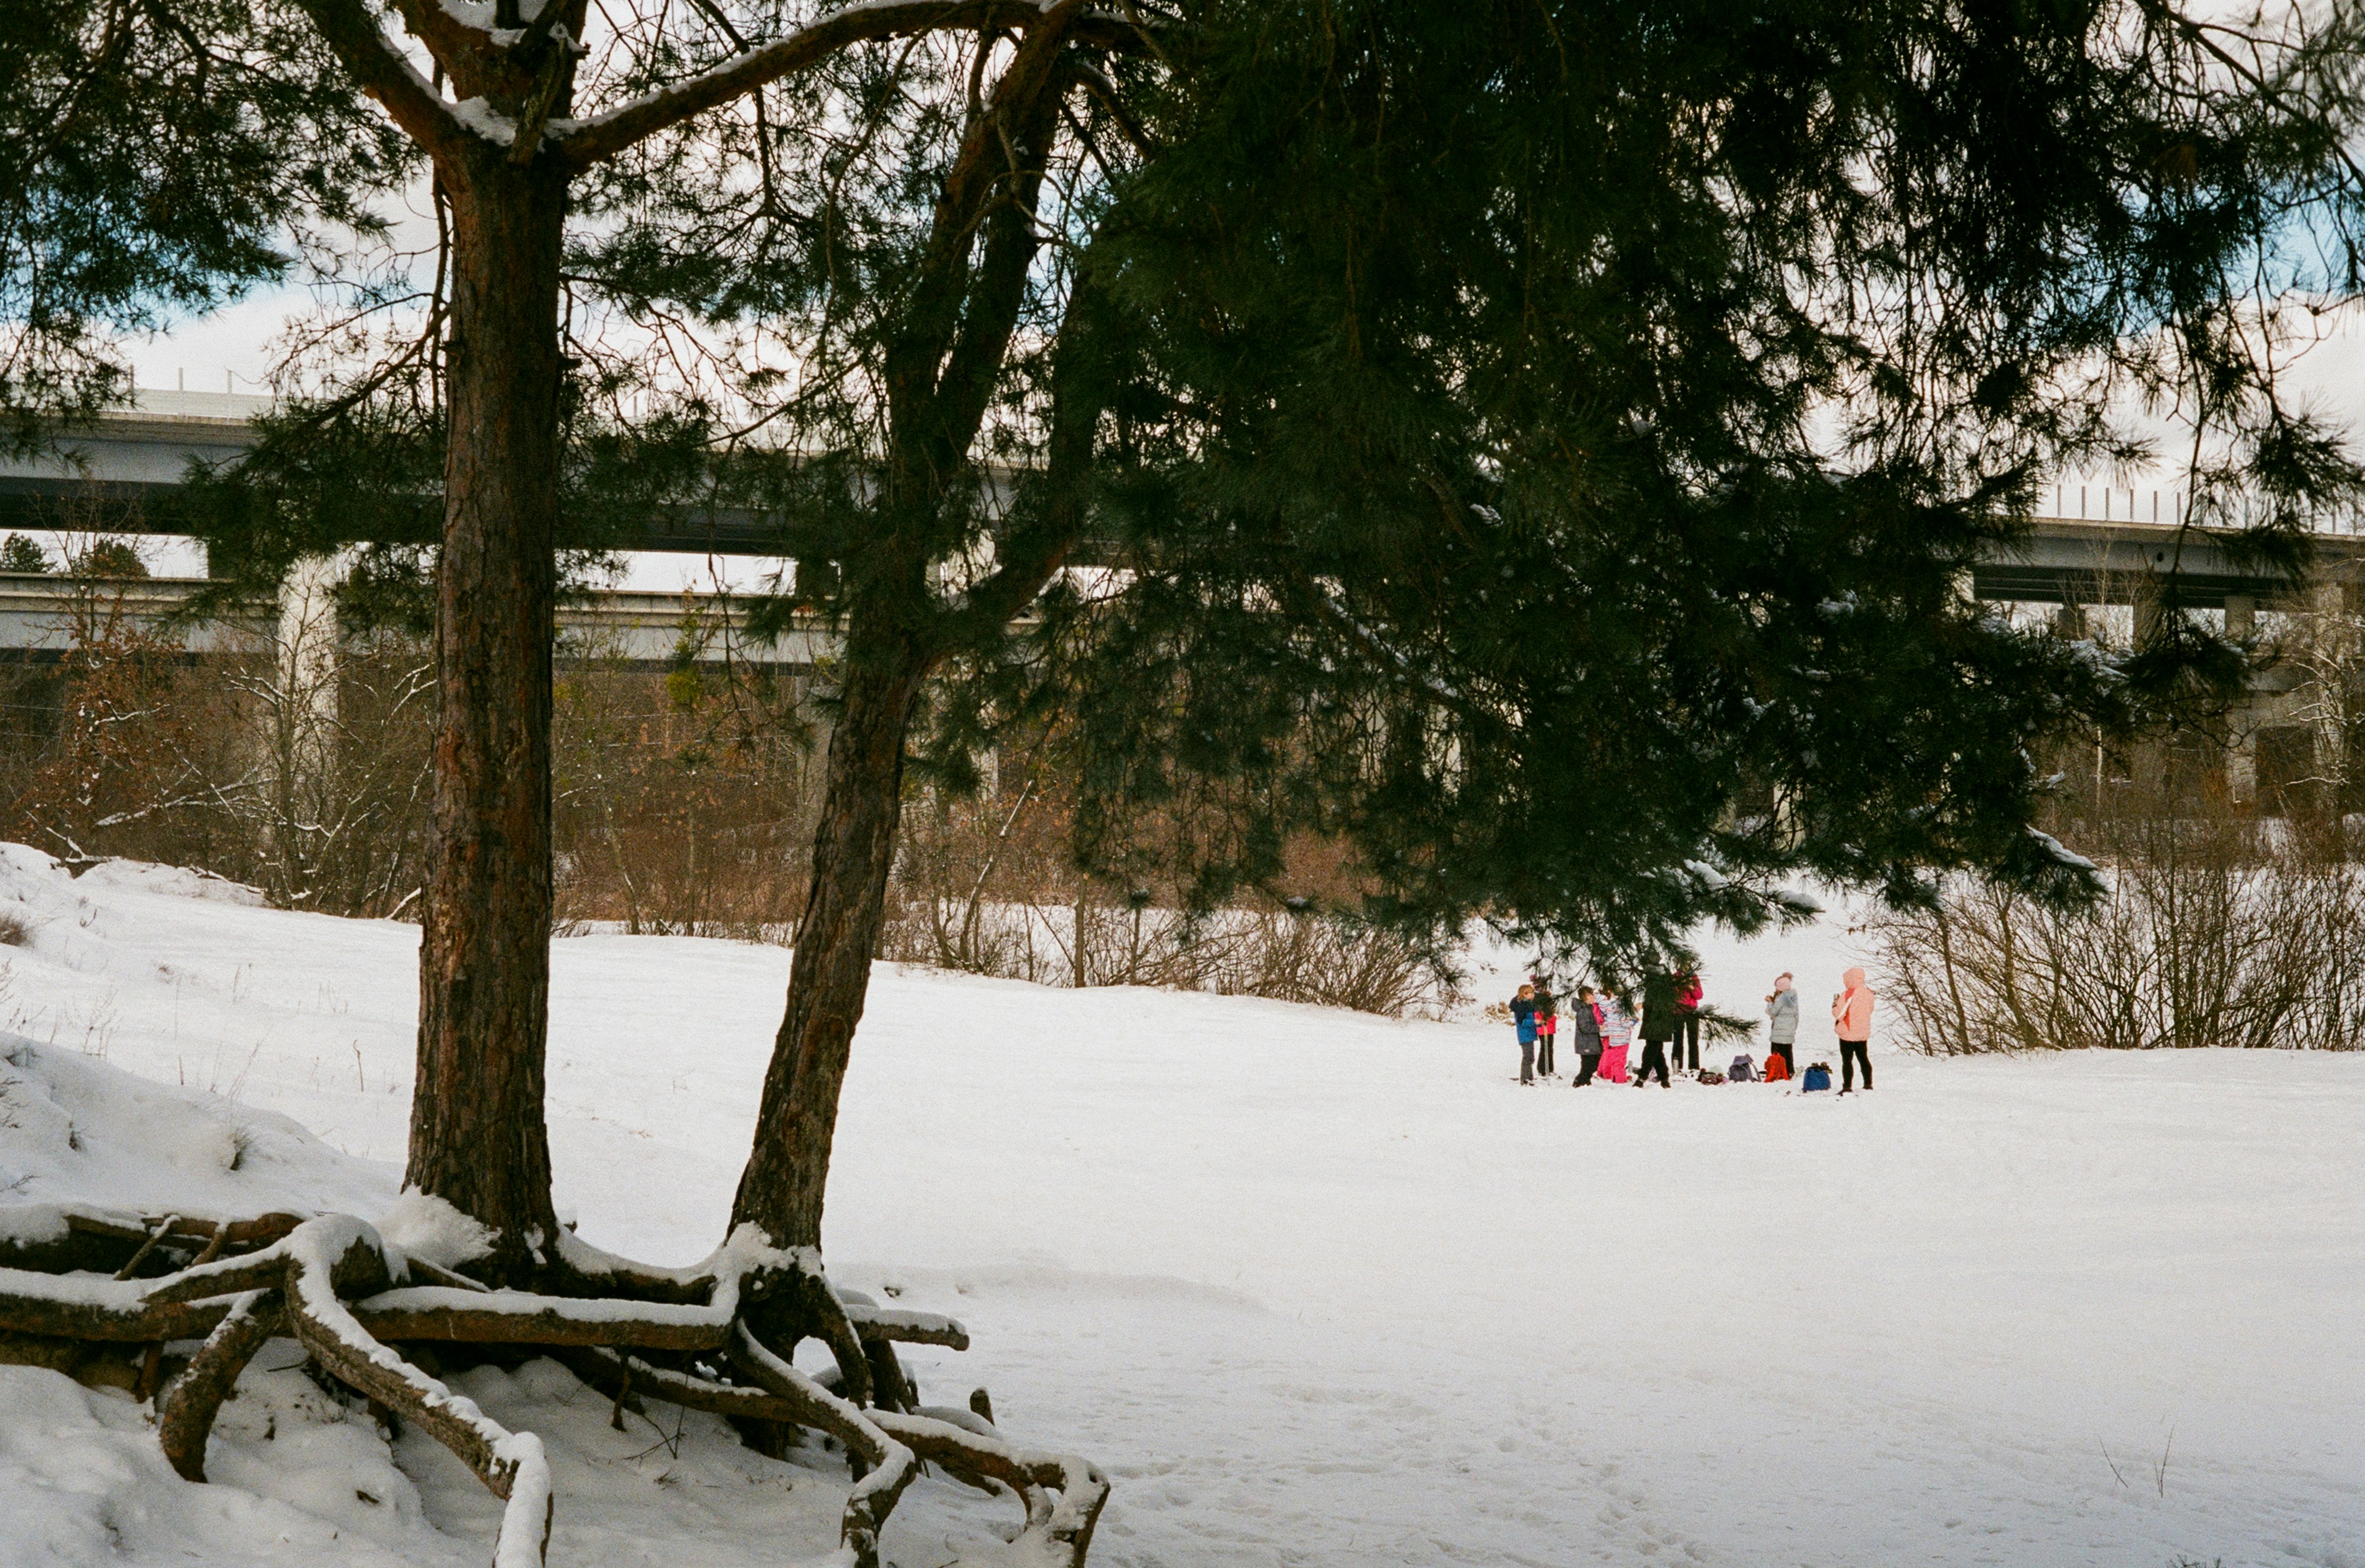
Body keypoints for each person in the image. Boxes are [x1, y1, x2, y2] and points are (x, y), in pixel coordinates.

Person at [1833, 966, 1876, 1093]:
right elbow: (1870, 1011)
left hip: (1848, 1032)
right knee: (1863, 1058)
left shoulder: (1847, 994)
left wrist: (1834, 1006)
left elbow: (1839, 1014)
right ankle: (1868, 1084)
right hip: (1862, 1032)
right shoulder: (1869, 993)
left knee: (1847, 1061)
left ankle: (1847, 1087)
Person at [1635, 971, 1676, 1088]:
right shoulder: (1666, 986)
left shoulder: (1657, 988)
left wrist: (1644, 1005)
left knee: (1650, 1051)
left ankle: (1643, 1077)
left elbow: (1657, 1005)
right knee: (1656, 1051)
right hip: (1658, 1024)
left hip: (1656, 1024)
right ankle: (1664, 1077)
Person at [1764, 972, 1800, 1080]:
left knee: (1776, 1051)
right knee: (1788, 1051)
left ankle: (1778, 1072)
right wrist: (1794, 1028)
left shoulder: (1780, 999)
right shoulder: (1794, 998)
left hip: (1779, 1030)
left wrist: (1770, 1002)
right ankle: (1789, 1071)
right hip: (1790, 1029)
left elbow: (1772, 1012)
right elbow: (1797, 1015)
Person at [1569, 984, 1605, 1084]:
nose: (1593, 997)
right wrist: (1598, 1028)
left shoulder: (1589, 1009)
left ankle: (1585, 1080)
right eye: (1591, 995)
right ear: (1586, 996)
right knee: (1590, 1064)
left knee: (1593, 1062)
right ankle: (1580, 1081)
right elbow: (1585, 1027)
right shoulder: (1583, 1011)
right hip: (1586, 1043)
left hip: (1591, 1042)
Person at [1598, 990, 1635, 1083]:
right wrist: (1634, 1021)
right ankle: (1620, 1079)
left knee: (1613, 1058)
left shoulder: (1609, 1006)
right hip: (1622, 1038)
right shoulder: (1622, 1008)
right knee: (1620, 1060)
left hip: (1613, 1037)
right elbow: (1625, 1023)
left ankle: (1609, 1075)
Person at [1673, 968, 1704, 1072]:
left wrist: (1691, 987)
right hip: (1678, 1012)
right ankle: (1677, 1067)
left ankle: (1694, 1067)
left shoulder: (1694, 978)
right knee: (1678, 1040)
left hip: (1692, 1012)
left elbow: (1699, 996)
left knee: (1693, 1040)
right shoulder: (1675, 978)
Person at [1511, 983, 1539, 1085]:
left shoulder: (1529, 1005)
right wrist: (1534, 1022)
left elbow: (1531, 1020)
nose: (1533, 995)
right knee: (1528, 1057)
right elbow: (1521, 1022)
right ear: (1524, 994)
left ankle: (1529, 1077)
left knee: (1530, 1056)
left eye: (1533, 993)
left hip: (1530, 1033)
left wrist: (1539, 1023)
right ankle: (1525, 1078)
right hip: (1525, 1034)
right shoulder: (1521, 1006)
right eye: (1531, 993)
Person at [1532, 977, 1559, 1077]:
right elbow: (1540, 1013)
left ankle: (1548, 1069)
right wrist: (1548, 1019)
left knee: (1548, 1048)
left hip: (1548, 1026)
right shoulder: (1541, 998)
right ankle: (1544, 1070)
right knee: (1546, 1047)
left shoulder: (1543, 998)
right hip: (1545, 1026)